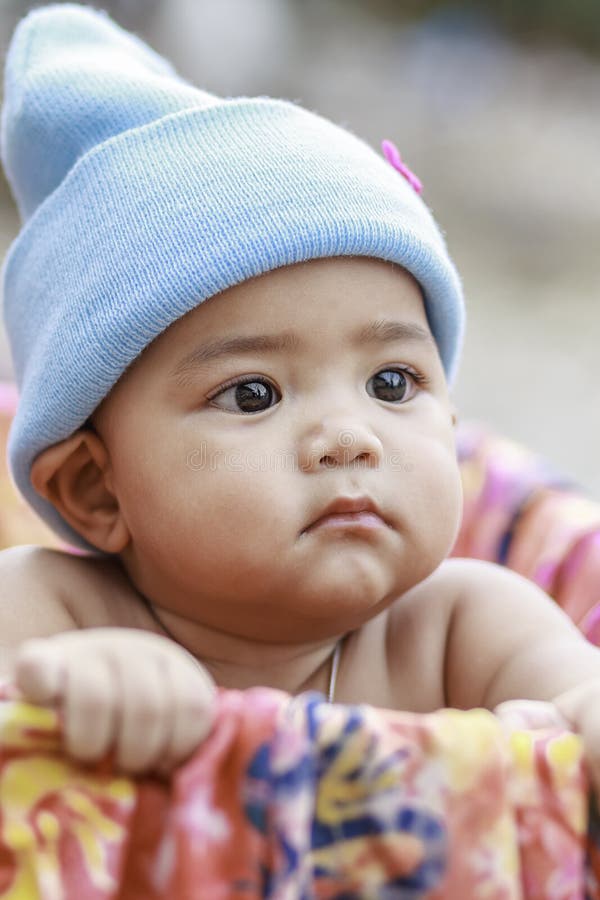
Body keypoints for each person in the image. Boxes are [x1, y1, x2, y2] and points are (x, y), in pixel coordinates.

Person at [1, 3, 599, 784]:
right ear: (93, 488)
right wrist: (77, 684)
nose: (350, 437)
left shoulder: (464, 624)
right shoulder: (48, 609)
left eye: (392, 382)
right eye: (253, 394)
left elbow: (578, 690)